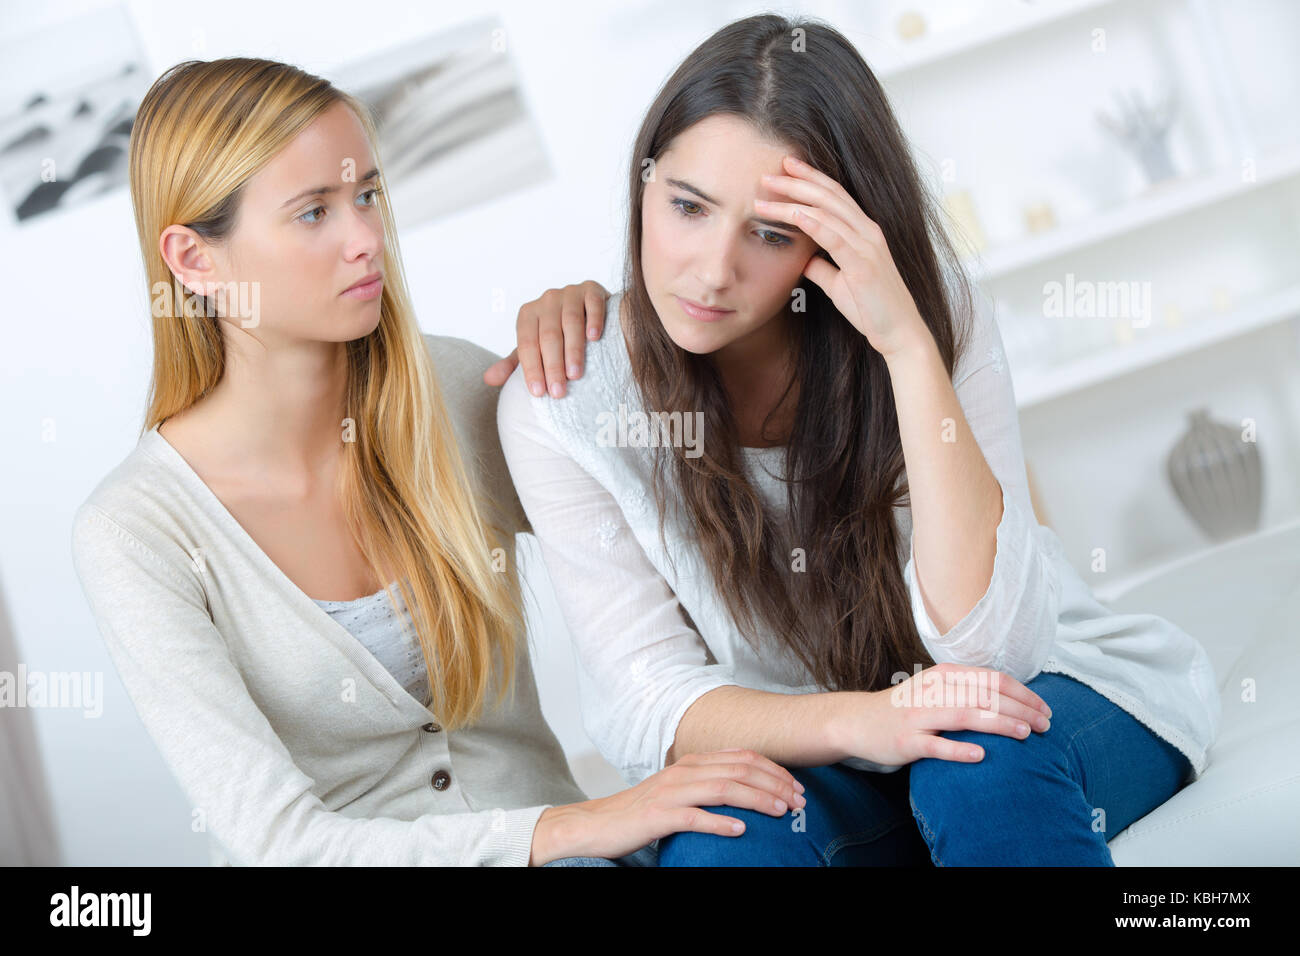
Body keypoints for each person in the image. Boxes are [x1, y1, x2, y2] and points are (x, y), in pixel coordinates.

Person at [496, 14, 1220, 866]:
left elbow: (996, 650)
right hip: (814, 743)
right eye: (687, 207)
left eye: (770, 233)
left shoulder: (933, 318)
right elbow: (647, 702)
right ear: (643, 186)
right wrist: (869, 723)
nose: (711, 269)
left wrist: (908, 349)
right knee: (721, 840)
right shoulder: (564, 402)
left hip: (1042, 695)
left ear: (836, 236)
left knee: (974, 761)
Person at [69, 56, 806, 867]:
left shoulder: (456, 390)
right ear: (195, 260)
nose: (367, 239)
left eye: (368, 196)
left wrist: (612, 357)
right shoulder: (136, 531)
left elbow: (707, 544)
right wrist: (569, 828)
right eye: (314, 213)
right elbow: (280, 844)